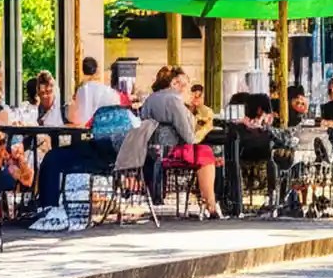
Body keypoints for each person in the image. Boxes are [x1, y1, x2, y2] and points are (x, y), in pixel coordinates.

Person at [140, 66, 222, 219]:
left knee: (206, 154)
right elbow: (189, 137)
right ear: (175, 83)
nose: (188, 89)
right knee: (206, 153)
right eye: (185, 85)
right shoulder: (174, 101)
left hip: (151, 150)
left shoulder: (150, 100)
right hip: (171, 150)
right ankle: (211, 204)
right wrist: (204, 128)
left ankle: (209, 203)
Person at [70, 57, 121, 127]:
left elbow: (77, 115)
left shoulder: (80, 90)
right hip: (101, 129)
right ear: (97, 70)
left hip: (82, 129)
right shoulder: (106, 90)